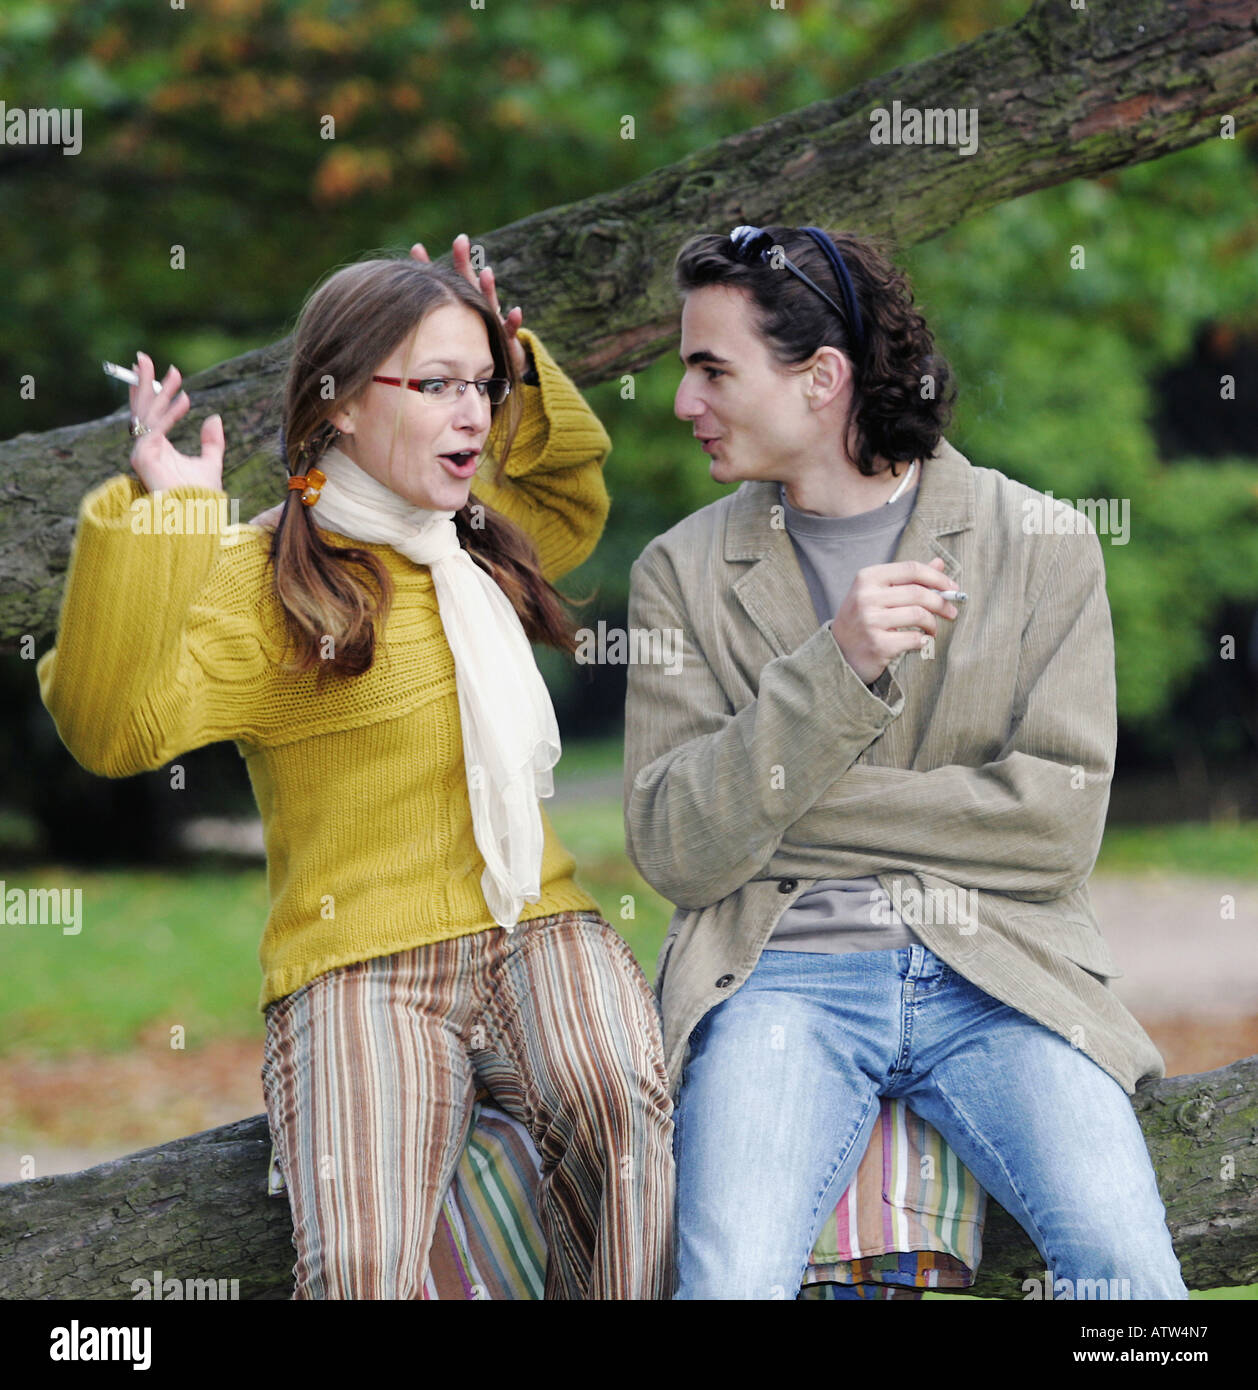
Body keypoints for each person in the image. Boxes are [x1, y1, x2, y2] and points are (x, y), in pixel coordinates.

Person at [38, 235, 674, 1300]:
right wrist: (169, 517)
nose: (475, 413)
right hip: (359, 963)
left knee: (624, 1109)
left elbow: (571, 492)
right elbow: (113, 729)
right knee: (362, 1261)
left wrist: (509, 342)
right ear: (335, 403)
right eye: (436, 385)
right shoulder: (258, 575)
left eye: (483, 386)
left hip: (534, 923)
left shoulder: (477, 536)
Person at [622, 223, 1188, 1300]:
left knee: (1129, 1271)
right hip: (779, 974)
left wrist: (778, 809)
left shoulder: (1046, 544)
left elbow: (1053, 824)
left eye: (710, 370)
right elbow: (675, 846)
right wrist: (835, 666)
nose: (683, 402)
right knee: (728, 1280)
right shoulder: (679, 573)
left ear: (821, 377)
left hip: (1004, 972)